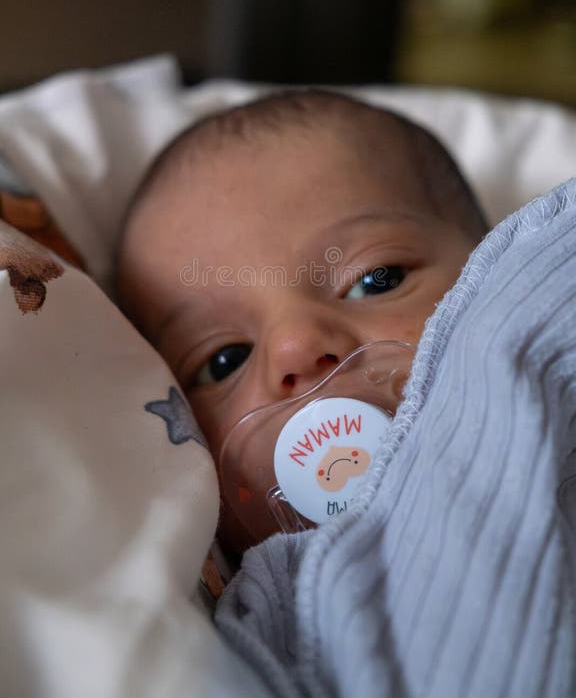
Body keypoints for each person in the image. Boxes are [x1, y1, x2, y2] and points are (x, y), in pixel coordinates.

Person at [115, 89, 488, 553]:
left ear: (505, 258)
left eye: (375, 279)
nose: (296, 347)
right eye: (225, 361)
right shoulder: (267, 609)